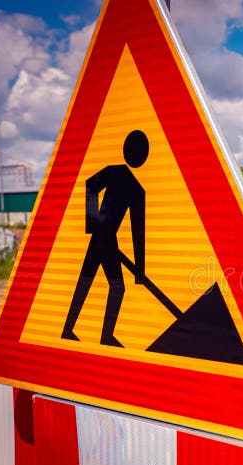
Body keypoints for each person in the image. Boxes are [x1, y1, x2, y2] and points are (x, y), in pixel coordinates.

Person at [61, 130, 147, 347]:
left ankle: (86, 333)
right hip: (102, 237)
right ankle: (78, 331)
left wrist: (140, 270)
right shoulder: (119, 175)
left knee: (98, 283)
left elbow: (138, 232)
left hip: (108, 239)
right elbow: (90, 185)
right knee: (91, 281)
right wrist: (93, 223)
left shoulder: (137, 189)